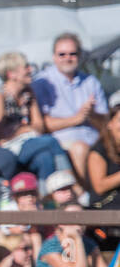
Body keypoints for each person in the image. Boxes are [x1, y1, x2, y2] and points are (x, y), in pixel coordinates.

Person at [32, 32, 110, 177]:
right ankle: (83, 196)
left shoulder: (90, 81)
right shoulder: (43, 82)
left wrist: (92, 115)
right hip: (62, 144)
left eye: (72, 54)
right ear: (54, 57)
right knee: (80, 148)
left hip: (95, 140)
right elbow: (41, 124)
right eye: (62, 54)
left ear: (79, 56)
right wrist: (77, 118)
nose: (67, 58)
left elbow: (106, 123)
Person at [0, 51, 68, 182]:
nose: (30, 70)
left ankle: (46, 197)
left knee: (44, 158)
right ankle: (70, 182)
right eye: (25, 67)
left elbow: (39, 127)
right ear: (11, 74)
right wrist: (26, 129)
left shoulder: (28, 93)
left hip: (29, 141)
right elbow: (1, 134)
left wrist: (26, 128)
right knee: (51, 141)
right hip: (9, 147)